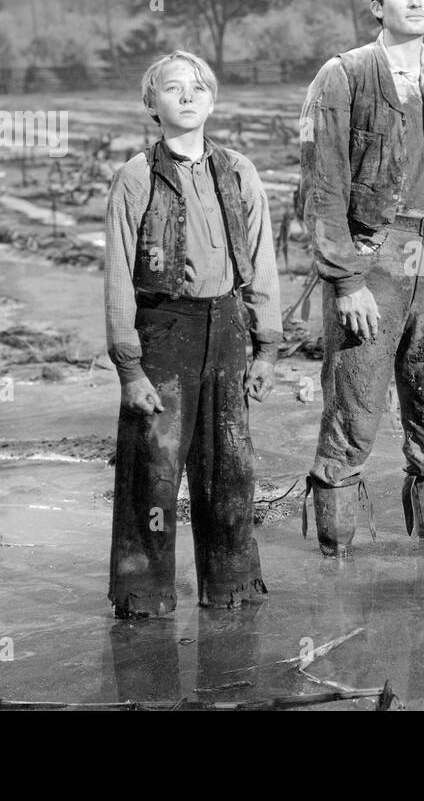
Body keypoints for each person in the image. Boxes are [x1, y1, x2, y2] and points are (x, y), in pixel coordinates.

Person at [296, 0, 424, 556]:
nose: (417, 0)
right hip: (378, 255)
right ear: (377, 6)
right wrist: (346, 282)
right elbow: (323, 190)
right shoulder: (342, 76)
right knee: (355, 417)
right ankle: (336, 556)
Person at [104, 50, 281, 616]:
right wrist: (129, 369)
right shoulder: (135, 178)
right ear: (150, 104)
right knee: (153, 471)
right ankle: (143, 594)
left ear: (213, 100)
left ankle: (231, 587)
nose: (187, 96)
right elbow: (116, 278)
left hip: (227, 327)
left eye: (198, 87)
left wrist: (267, 349)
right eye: (173, 89)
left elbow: (263, 261)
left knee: (229, 466)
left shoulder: (239, 171)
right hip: (163, 331)